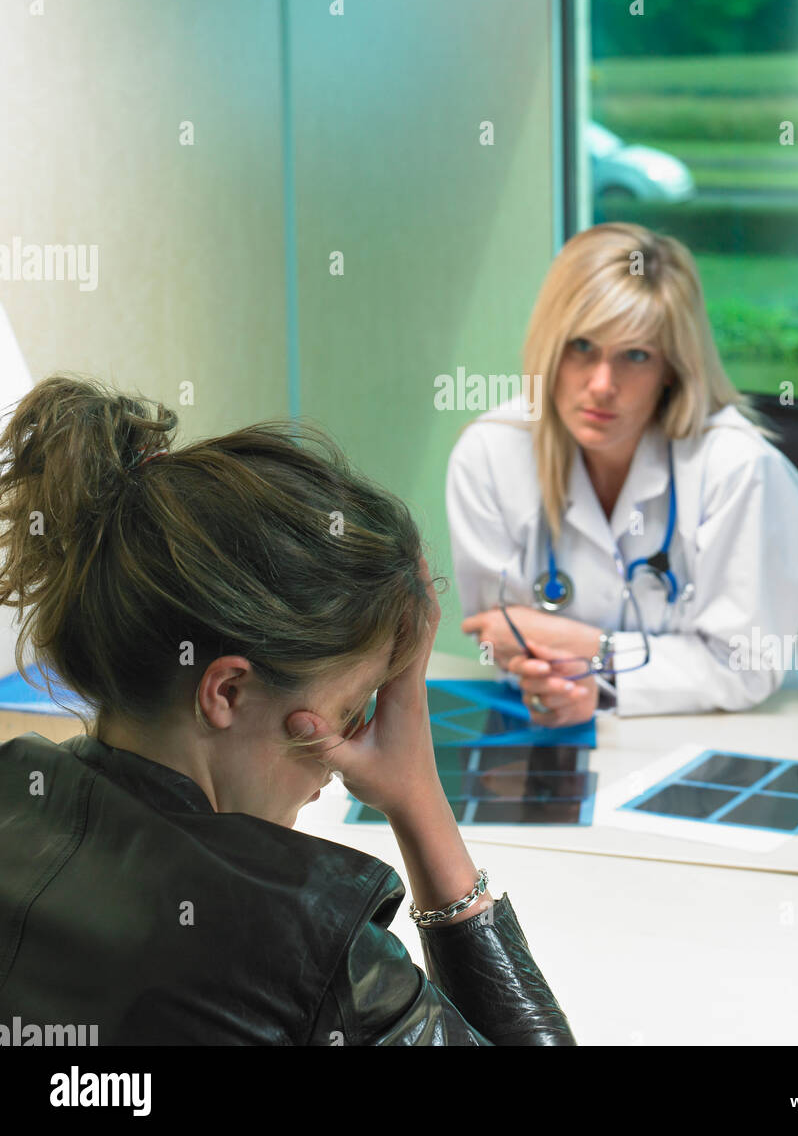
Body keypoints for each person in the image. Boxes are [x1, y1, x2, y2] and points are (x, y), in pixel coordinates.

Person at [0, 375, 575, 1046]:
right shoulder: (303, 937)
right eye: (346, 709)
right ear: (226, 693)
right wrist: (417, 798)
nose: (337, 763)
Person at [446, 223, 798, 726]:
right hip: (558, 729)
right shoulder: (490, 453)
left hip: (727, 736)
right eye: (582, 347)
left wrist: (594, 654)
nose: (601, 385)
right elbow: (500, 639)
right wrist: (564, 681)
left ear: (671, 368)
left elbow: (744, 667)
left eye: (635, 356)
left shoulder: (739, 469)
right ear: (550, 346)